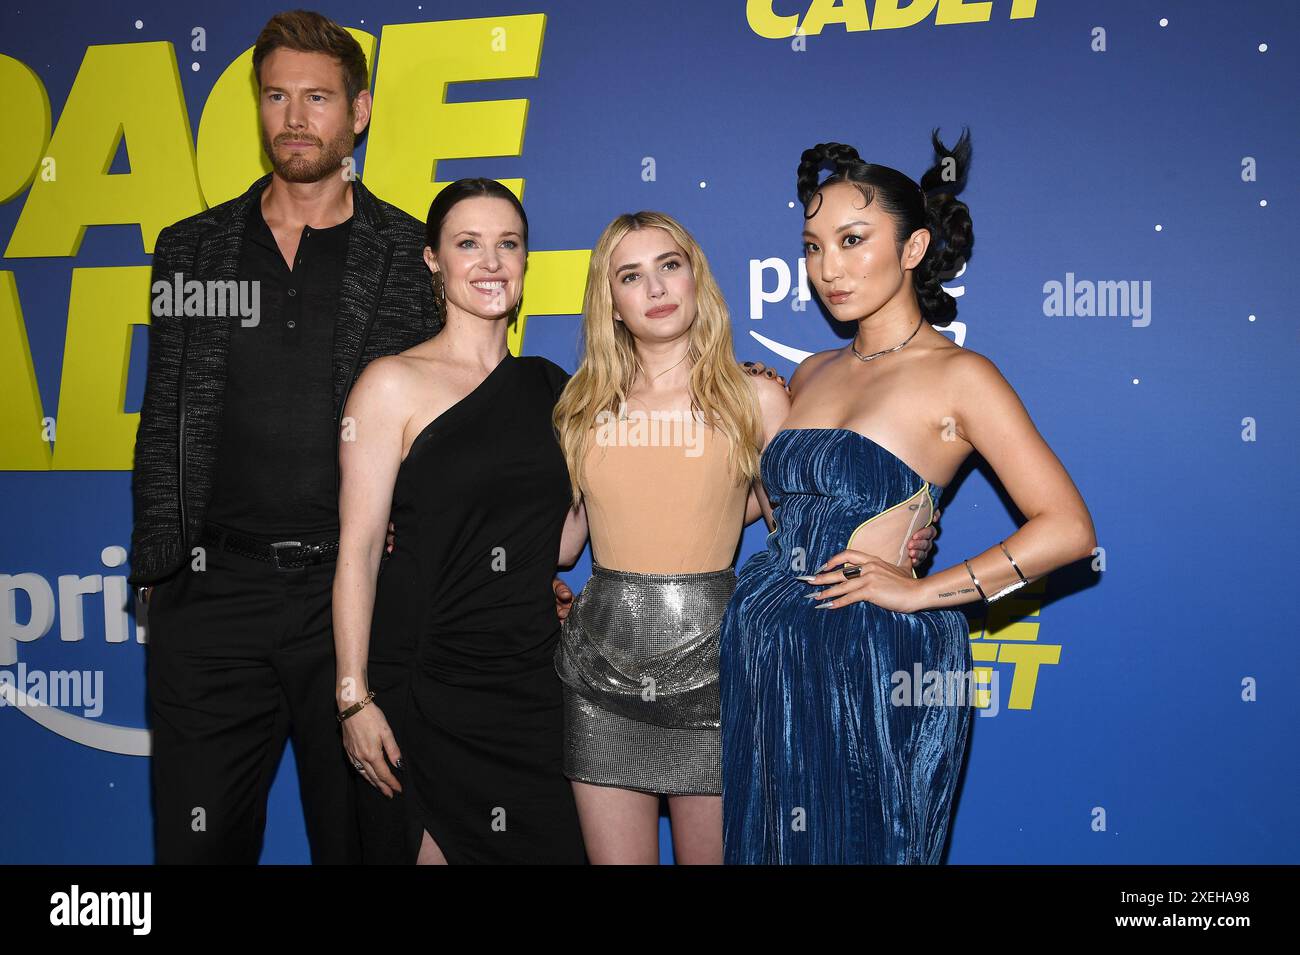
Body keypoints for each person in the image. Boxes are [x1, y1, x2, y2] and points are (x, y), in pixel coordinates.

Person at [720, 131, 1097, 864]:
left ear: (914, 247)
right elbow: (785, 518)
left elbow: (1070, 529)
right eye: (813, 245)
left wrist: (926, 593)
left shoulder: (960, 375)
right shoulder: (811, 374)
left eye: (853, 240)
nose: (829, 267)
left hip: (872, 659)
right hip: (765, 652)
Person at [129, 10, 439, 864]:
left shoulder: (412, 253)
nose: (294, 118)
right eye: (276, 96)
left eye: (316, 97)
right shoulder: (191, 251)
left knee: (361, 848)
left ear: (359, 113)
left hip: (353, 602)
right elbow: (167, 415)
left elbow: (453, 430)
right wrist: (160, 562)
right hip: (212, 601)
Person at [549, 212, 940, 863]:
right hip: (598, 670)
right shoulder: (582, 407)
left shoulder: (755, 398)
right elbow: (561, 544)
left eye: (669, 265)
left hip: (719, 668)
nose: (655, 287)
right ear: (610, 304)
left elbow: (803, 519)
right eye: (631, 275)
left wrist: (892, 534)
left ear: (695, 275)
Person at [333, 178, 587, 864]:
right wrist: (354, 697)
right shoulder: (390, 384)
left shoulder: (553, 389)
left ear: (527, 261)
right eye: (468, 243)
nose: (491, 261)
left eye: (508, 244)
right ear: (433, 261)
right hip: (422, 683)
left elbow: (561, 547)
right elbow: (356, 550)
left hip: (530, 689)